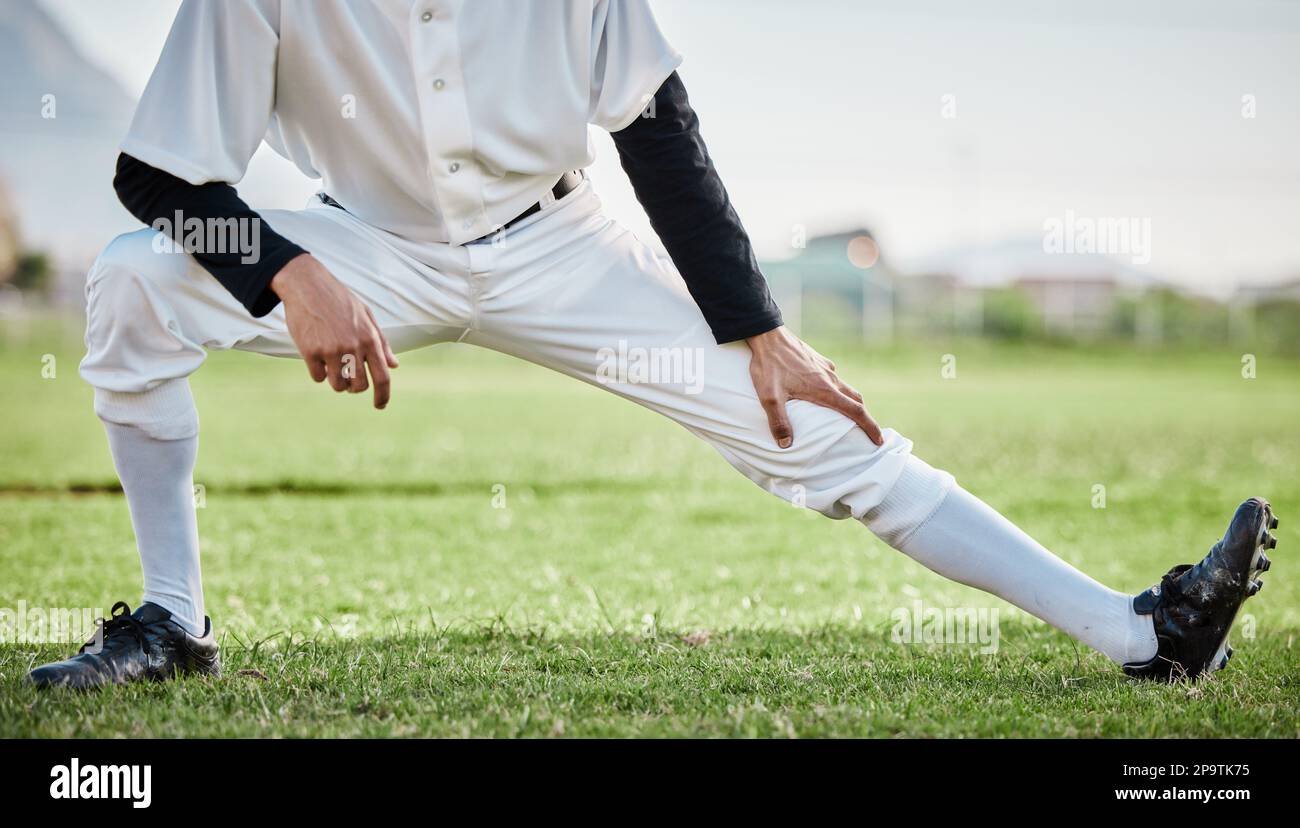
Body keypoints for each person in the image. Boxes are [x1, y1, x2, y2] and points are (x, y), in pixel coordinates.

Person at [29, 0, 1276, 689]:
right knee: (134, 285)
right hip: (369, 248)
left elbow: (657, 130)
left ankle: (1145, 633)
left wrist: (760, 330)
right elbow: (156, 172)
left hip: (563, 244)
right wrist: (292, 270)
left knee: (821, 436)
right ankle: (173, 625)